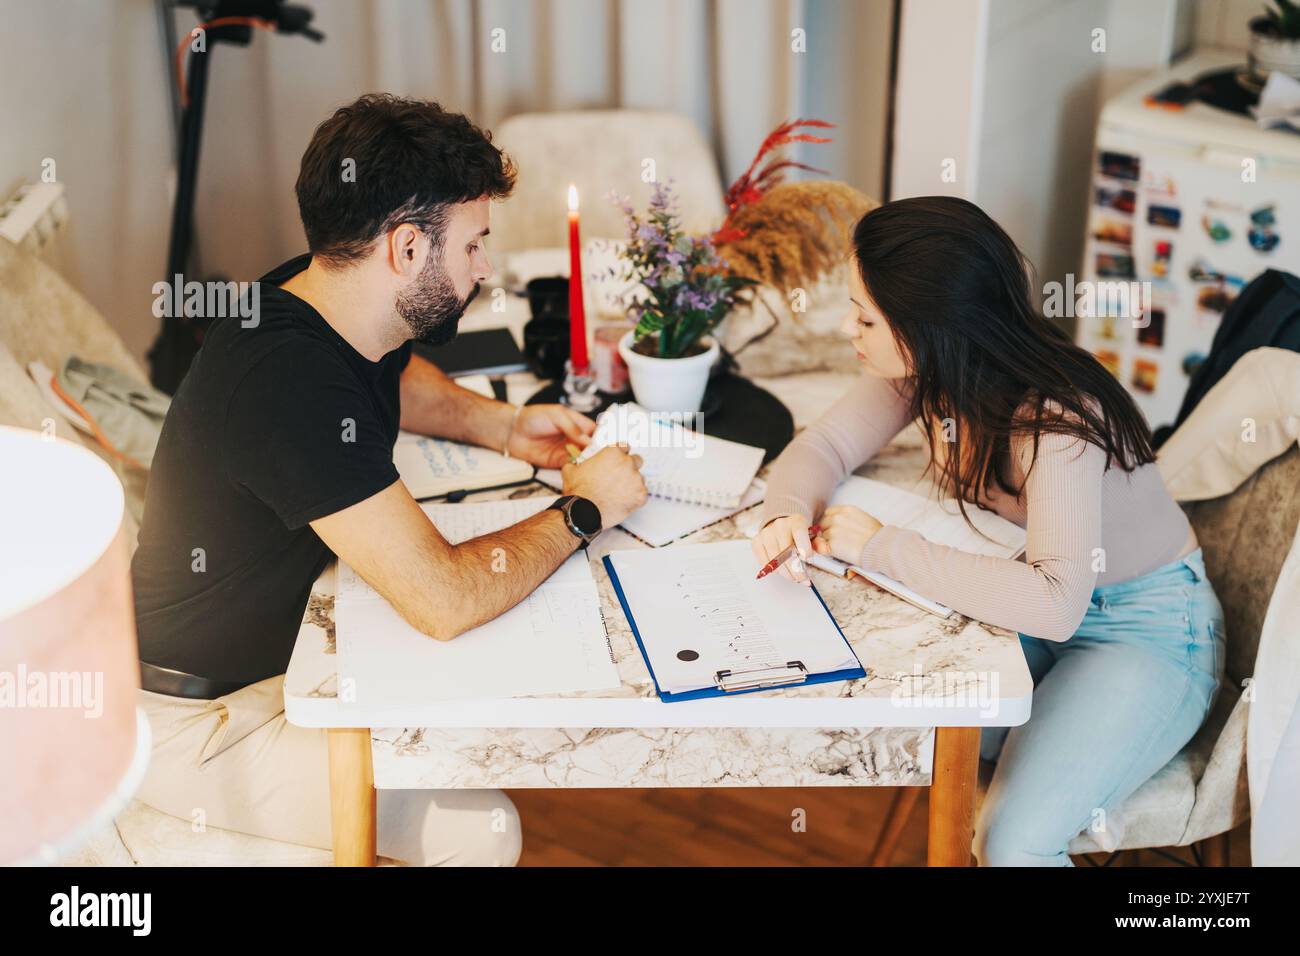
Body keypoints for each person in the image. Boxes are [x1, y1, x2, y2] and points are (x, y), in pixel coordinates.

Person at [130, 94, 648, 865]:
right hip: (201, 723)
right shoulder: (285, 383)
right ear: (407, 249)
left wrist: (502, 425)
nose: (483, 268)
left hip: (290, 653)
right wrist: (585, 509)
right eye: (473, 244)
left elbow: (392, 374)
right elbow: (443, 600)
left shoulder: (318, 294)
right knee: (486, 830)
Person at [752, 196, 1225, 866]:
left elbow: (1057, 603)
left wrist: (880, 545)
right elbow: (825, 445)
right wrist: (787, 513)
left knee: (1011, 845)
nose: (846, 329)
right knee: (887, 704)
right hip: (1032, 608)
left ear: (927, 329)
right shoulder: (931, 370)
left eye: (864, 317)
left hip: (1143, 629)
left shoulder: (1055, 418)